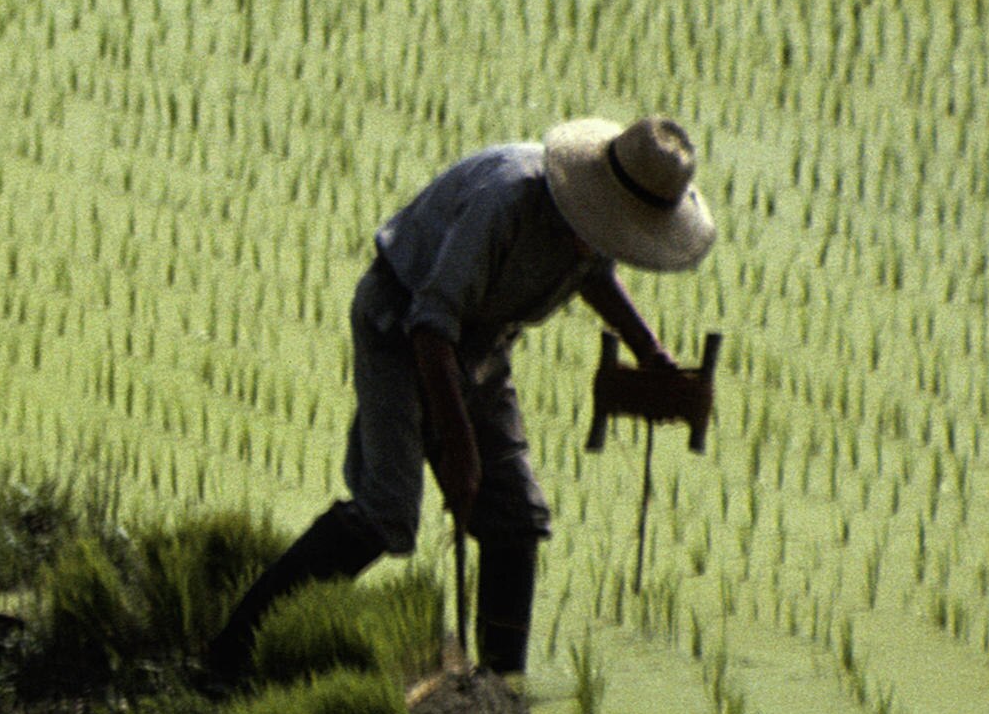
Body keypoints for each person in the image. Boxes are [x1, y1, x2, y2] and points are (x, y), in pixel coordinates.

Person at [210, 112, 719, 680]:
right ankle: (235, 653)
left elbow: (594, 274)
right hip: (401, 324)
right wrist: (458, 445)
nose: (612, 240)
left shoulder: (593, 228)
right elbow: (430, 325)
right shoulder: (504, 202)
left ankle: (500, 688)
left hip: (481, 344)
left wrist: (649, 351)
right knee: (388, 511)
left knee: (517, 520)